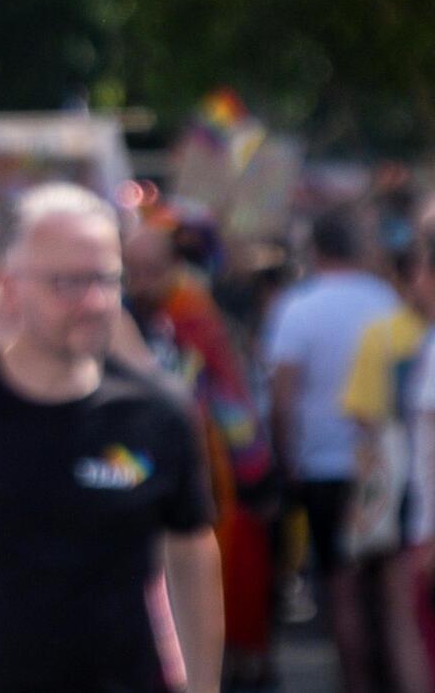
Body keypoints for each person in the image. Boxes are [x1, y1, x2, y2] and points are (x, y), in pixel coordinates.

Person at [0, 184, 223, 693]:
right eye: (67, 283)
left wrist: (205, 685)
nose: (93, 302)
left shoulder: (157, 414)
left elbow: (192, 555)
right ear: (11, 289)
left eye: (106, 280)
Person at [124, 217, 278, 688]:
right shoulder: (110, 320)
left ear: (174, 267)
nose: (141, 281)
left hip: (199, 488)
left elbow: (230, 403)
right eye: (132, 270)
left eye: (152, 269)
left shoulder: (193, 318)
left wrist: (256, 475)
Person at [266, 206, 405, 693]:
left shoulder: (297, 307)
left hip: (323, 465)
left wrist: (286, 459)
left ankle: (357, 683)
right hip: (387, 464)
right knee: (388, 590)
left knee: (341, 586)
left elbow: (282, 395)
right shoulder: (388, 300)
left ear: (316, 248)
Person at [341, 239, 435, 693]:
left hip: (410, 497)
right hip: (413, 494)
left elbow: (364, 416)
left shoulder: (384, 333)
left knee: (402, 611)